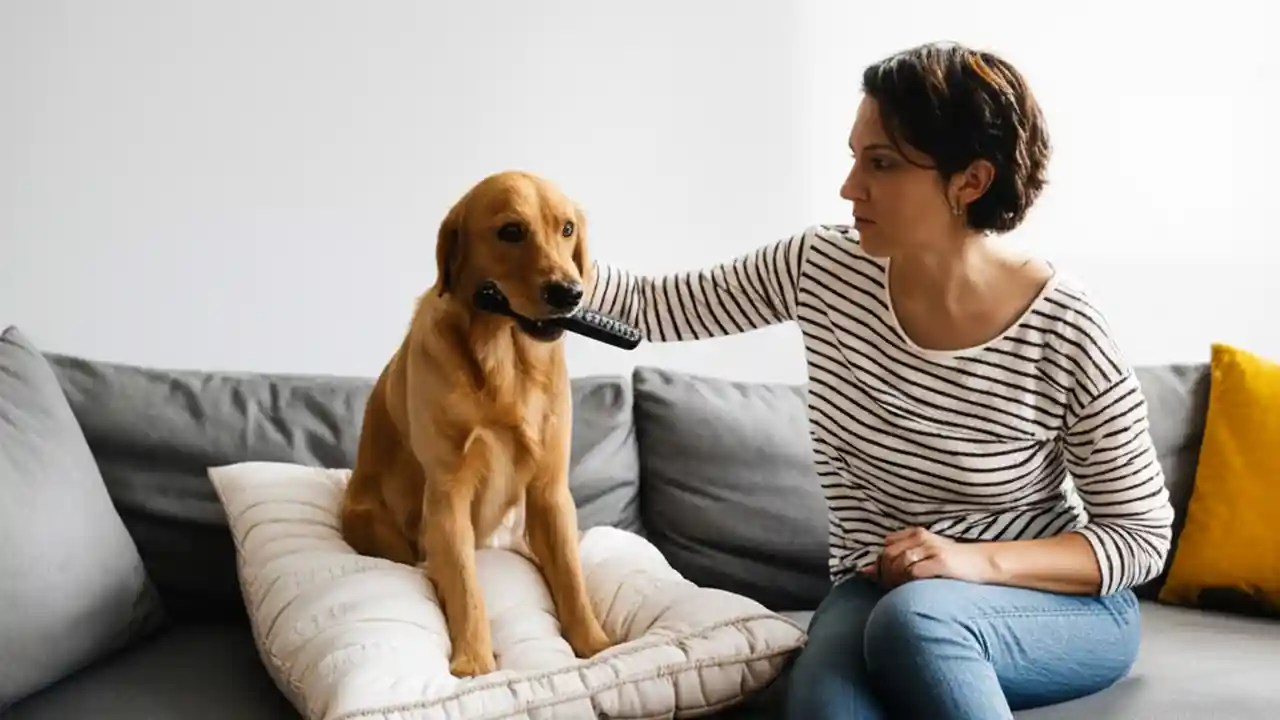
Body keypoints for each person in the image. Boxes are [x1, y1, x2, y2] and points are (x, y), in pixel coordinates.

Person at [581, 41, 1175, 719]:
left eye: (881, 163)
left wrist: (972, 563)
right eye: (855, 156)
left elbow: (1141, 537)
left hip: (1057, 608)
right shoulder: (821, 270)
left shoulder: (1065, 327)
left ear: (969, 182)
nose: (849, 186)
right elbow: (658, 306)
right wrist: (523, 256)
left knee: (919, 620)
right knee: (823, 705)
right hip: (878, 587)